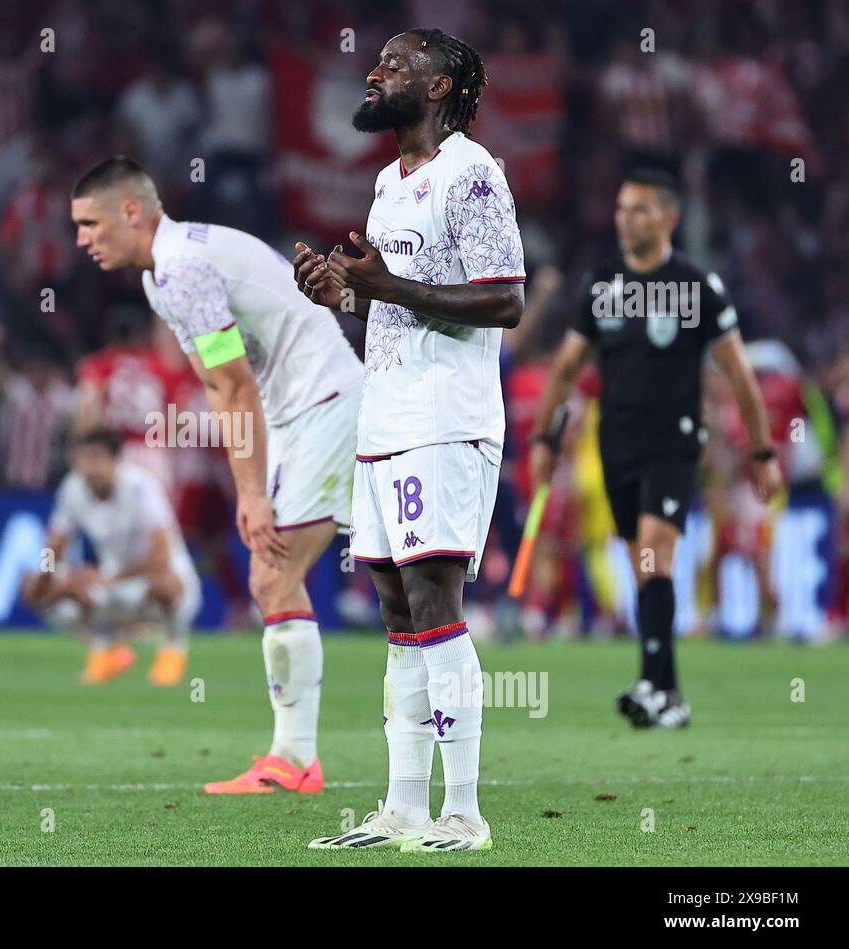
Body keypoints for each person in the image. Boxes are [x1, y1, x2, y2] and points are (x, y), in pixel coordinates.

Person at [293, 29, 525, 851]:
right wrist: (340, 296)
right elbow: (397, 309)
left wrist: (382, 283)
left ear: (437, 87)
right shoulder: (390, 186)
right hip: (386, 416)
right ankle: (404, 807)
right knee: (396, 611)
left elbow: (504, 302)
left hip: (446, 419)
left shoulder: (472, 174)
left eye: (395, 64)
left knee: (435, 601)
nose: (373, 70)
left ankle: (464, 811)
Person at [71, 156, 364, 795]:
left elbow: (231, 388)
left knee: (273, 571)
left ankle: (296, 761)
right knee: (378, 577)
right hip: (305, 410)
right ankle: (310, 755)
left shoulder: (179, 269)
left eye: (90, 223)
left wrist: (252, 491)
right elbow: (221, 381)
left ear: (131, 212)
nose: (81, 240)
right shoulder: (166, 271)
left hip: (323, 406)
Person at [528, 168, 783, 727]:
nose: (626, 218)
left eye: (640, 209)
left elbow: (739, 375)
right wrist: (543, 439)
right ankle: (670, 695)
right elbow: (566, 368)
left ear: (669, 216)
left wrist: (762, 453)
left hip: (673, 443)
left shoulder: (697, 287)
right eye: (621, 208)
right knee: (644, 567)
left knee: (653, 551)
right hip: (614, 445)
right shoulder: (603, 286)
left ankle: (649, 684)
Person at [20, 429, 201, 686]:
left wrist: (108, 578)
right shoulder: (73, 488)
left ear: (115, 460)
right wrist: (46, 576)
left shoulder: (141, 487)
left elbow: (161, 556)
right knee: (33, 587)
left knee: (167, 584)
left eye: (97, 457)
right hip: (112, 582)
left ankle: (172, 651)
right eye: (84, 458)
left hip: (150, 581)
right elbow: (55, 545)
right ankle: (106, 650)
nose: (90, 466)